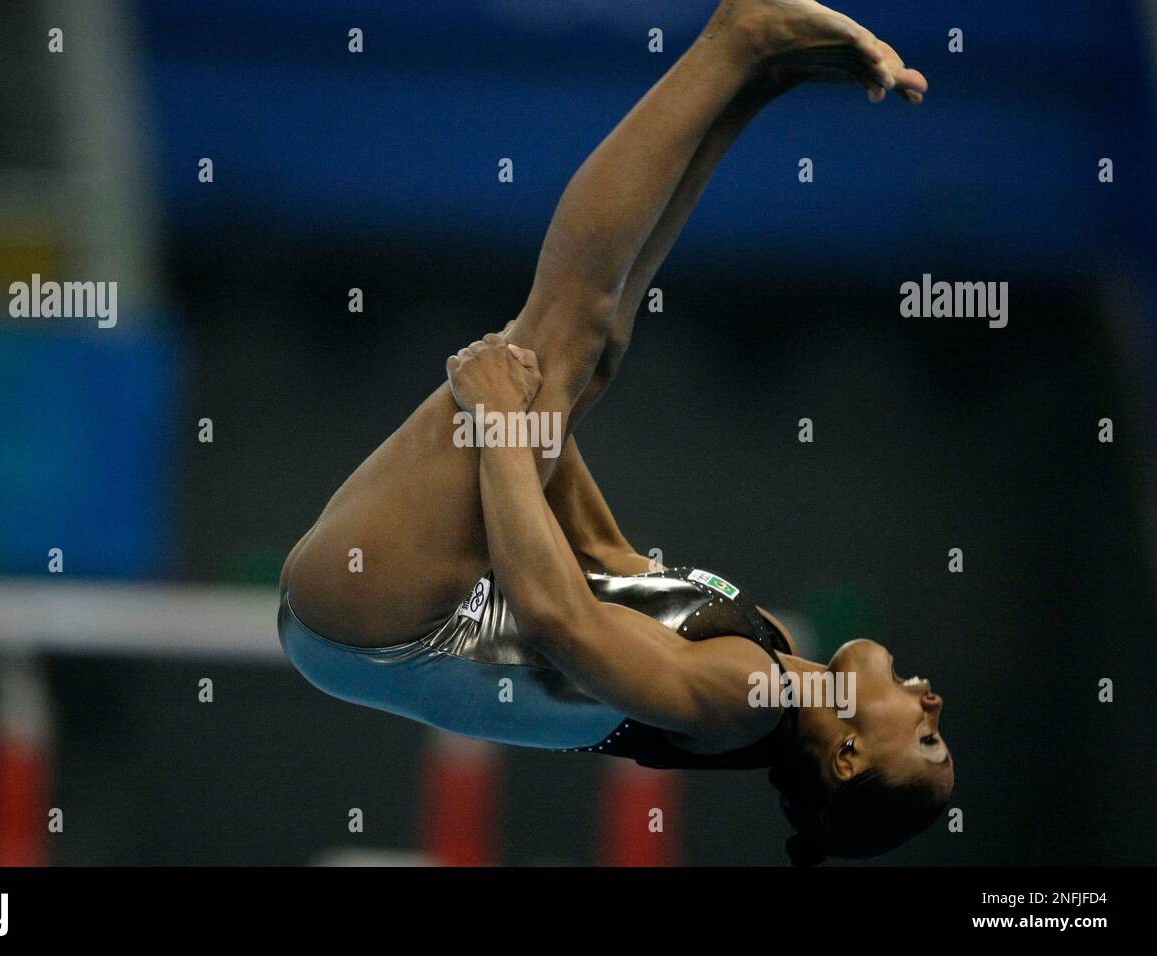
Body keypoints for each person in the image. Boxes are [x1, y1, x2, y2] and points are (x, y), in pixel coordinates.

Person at [279, 0, 950, 864]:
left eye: (926, 740)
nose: (934, 707)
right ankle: (756, 73)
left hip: (385, 625)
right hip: (397, 617)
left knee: (565, 324)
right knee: (588, 347)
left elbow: (558, 615)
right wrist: (543, 415)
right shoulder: (773, 658)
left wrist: (502, 424)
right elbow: (604, 556)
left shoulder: (746, 700)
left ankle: (738, 39)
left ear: (849, 756)